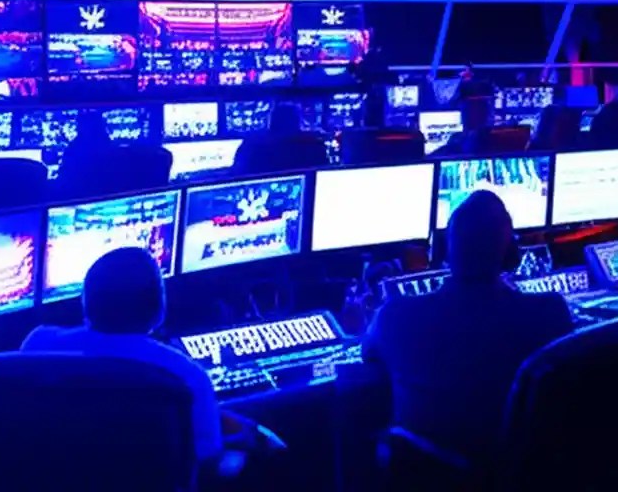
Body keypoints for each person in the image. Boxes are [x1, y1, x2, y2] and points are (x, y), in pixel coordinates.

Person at [362, 191, 573, 467]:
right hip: (528, 473)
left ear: (447, 250)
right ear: (510, 254)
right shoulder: (551, 311)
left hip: (431, 479)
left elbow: (367, 356)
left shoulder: (394, 315)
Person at [21, 248, 275, 466]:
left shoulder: (38, 344)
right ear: (159, 308)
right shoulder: (184, 374)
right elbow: (206, 462)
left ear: (86, 301)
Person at [232, 104, 328, 175]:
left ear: (271, 122)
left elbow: (235, 174)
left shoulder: (251, 145)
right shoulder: (314, 145)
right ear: (298, 123)